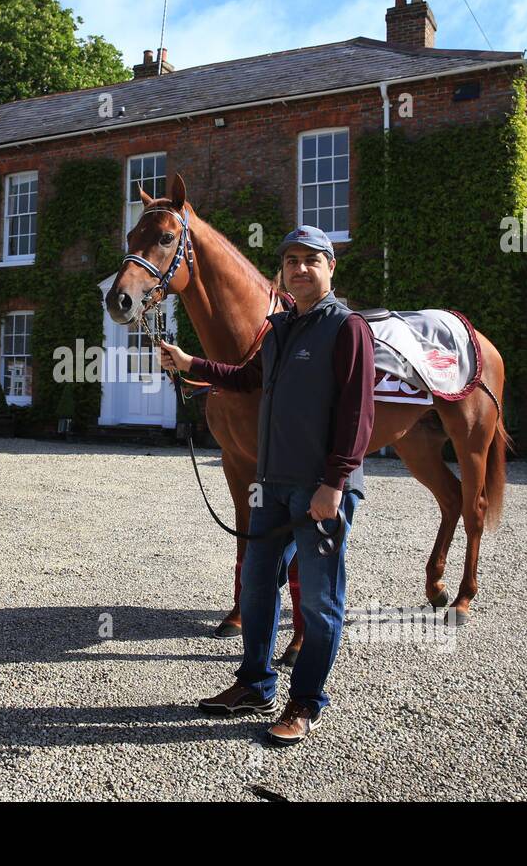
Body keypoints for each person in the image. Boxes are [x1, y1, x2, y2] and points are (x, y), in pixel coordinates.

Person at [157, 225, 374, 745]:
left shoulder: (348, 329)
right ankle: (255, 683)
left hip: (319, 489)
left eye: (311, 259)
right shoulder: (276, 330)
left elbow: (358, 415)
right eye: (291, 260)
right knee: (256, 588)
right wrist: (191, 365)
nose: (299, 268)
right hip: (271, 486)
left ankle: (306, 702)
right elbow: (246, 377)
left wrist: (335, 483)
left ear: (330, 267)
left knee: (320, 600)